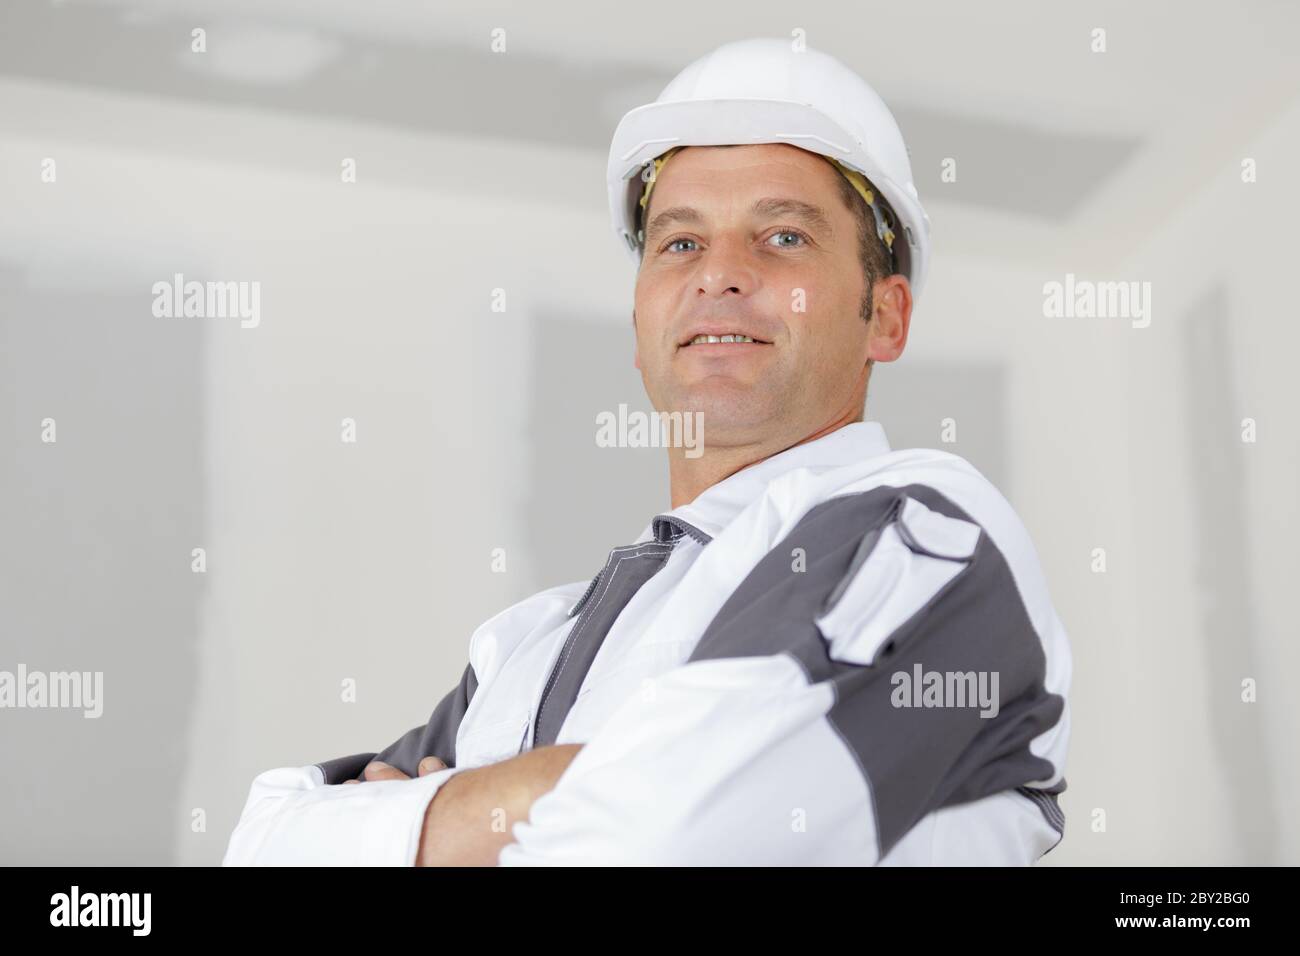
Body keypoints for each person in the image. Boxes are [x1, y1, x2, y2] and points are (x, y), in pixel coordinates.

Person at [223, 37, 1070, 867]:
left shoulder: (932, 531)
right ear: (639, 326)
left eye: (782, 237)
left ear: (885, 317)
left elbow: (668, 844)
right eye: (680, 242)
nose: (719, 275)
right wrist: (543, 796)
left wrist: (441, 818)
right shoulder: (527, 646)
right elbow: (261, 845)